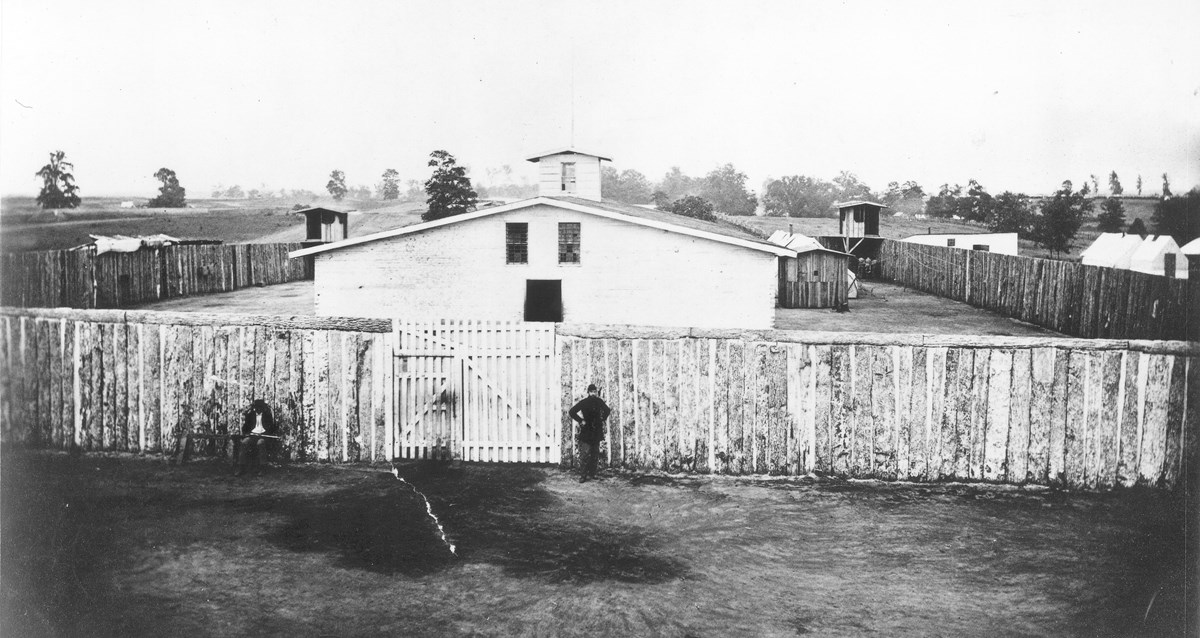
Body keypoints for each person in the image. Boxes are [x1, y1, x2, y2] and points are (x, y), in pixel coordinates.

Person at [569, 384, 611, 483]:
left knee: (595, 453)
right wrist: (580, 420)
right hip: (587, 431)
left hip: (596, 430)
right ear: (588, 392)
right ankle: (583, 475)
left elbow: (607, 410)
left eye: (595, 391)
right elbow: (572, 412)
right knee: (585, 454)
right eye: (592, 391)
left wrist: (602, 418)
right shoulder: (584, 402)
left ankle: (593, 473)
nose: (593, 393)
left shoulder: (599, 402)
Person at [235, 399, 277, 476]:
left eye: (260, 407)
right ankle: (241, 467)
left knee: (260, 443)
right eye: (256, 407)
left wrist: (264, 433)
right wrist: (248, 433)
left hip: (263, 436)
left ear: (262, 408)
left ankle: (262, 468)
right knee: (244, 443)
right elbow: (245, 428)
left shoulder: (267, 415)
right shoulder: (250, 415)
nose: (258, 409)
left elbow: (272, 428)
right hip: (252, 436)